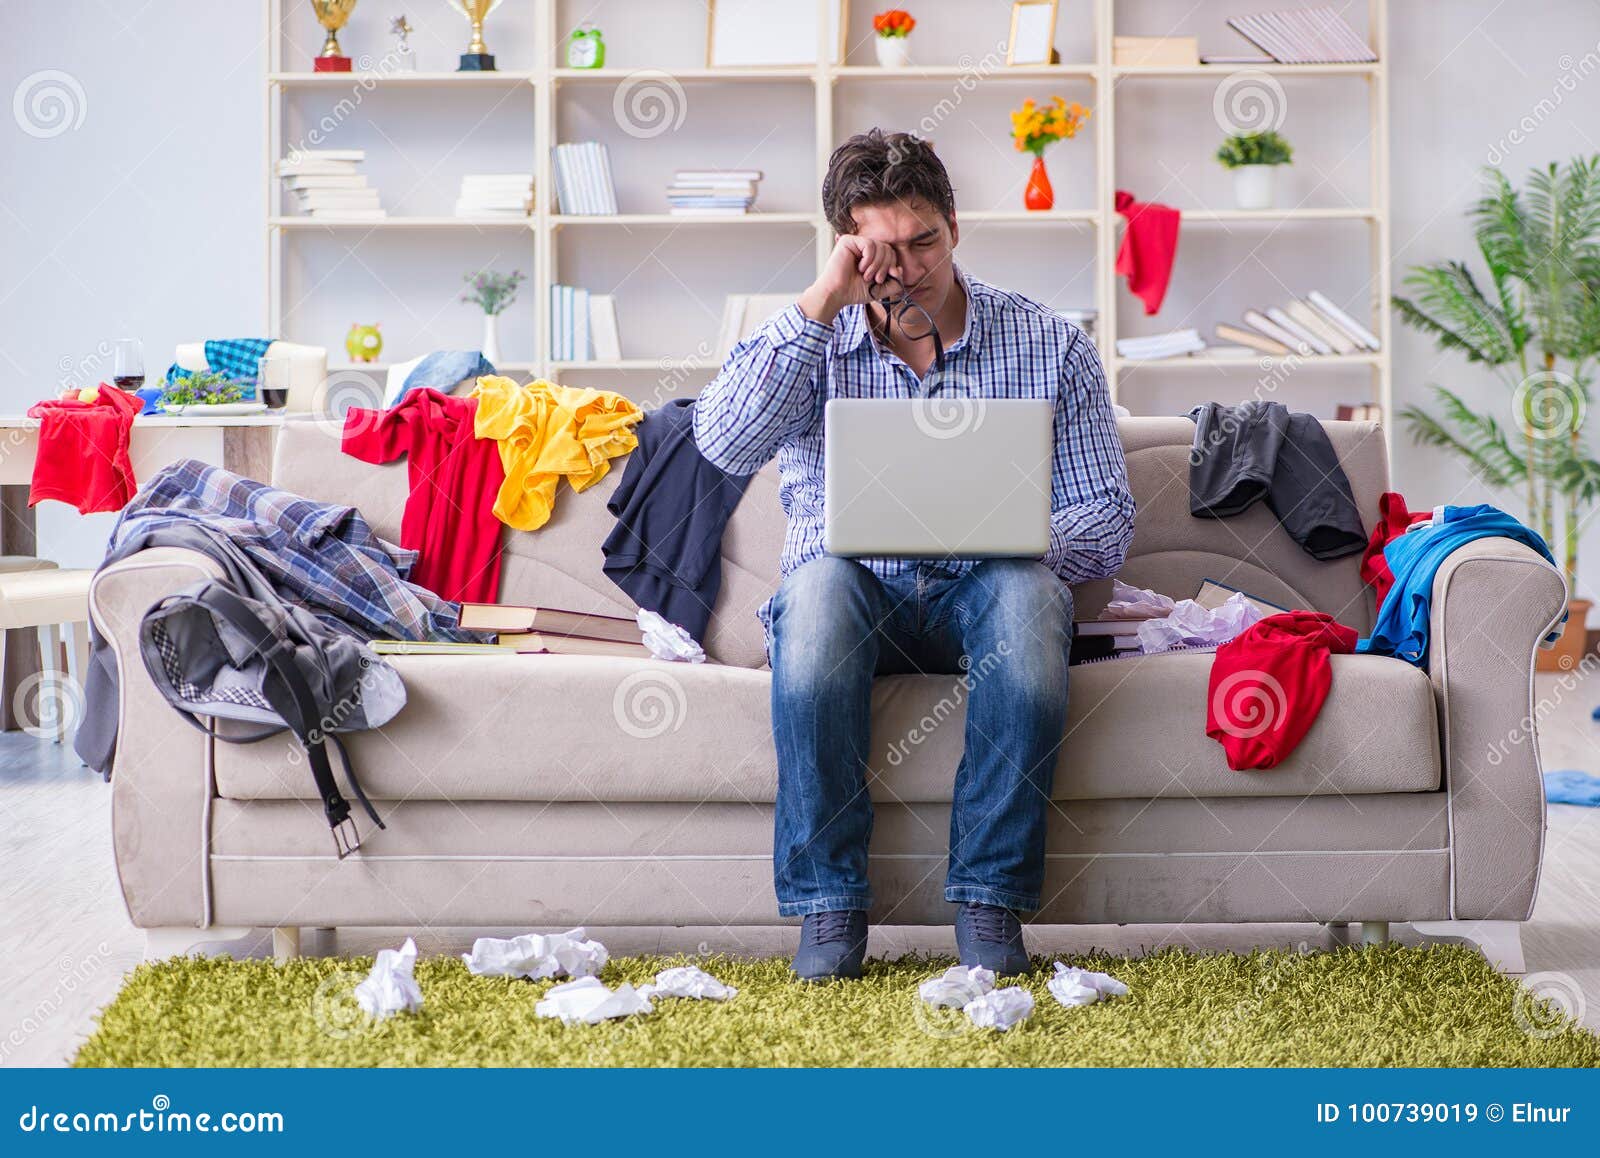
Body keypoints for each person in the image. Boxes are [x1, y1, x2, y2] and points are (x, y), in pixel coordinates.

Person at [693, 128, 1136, 982]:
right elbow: (722, 444)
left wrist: (1016, 533)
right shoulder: (811, 340)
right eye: (881, 251)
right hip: (855, 598)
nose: (908, 269)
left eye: (924, 240)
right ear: (846, 246)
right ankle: (828, 904)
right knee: (815, 595)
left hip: (985, 598)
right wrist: (823, 300)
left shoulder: (1050, 343)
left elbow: (1109, 519)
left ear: (956, 226)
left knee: (1028, 592)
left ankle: (989, 900)